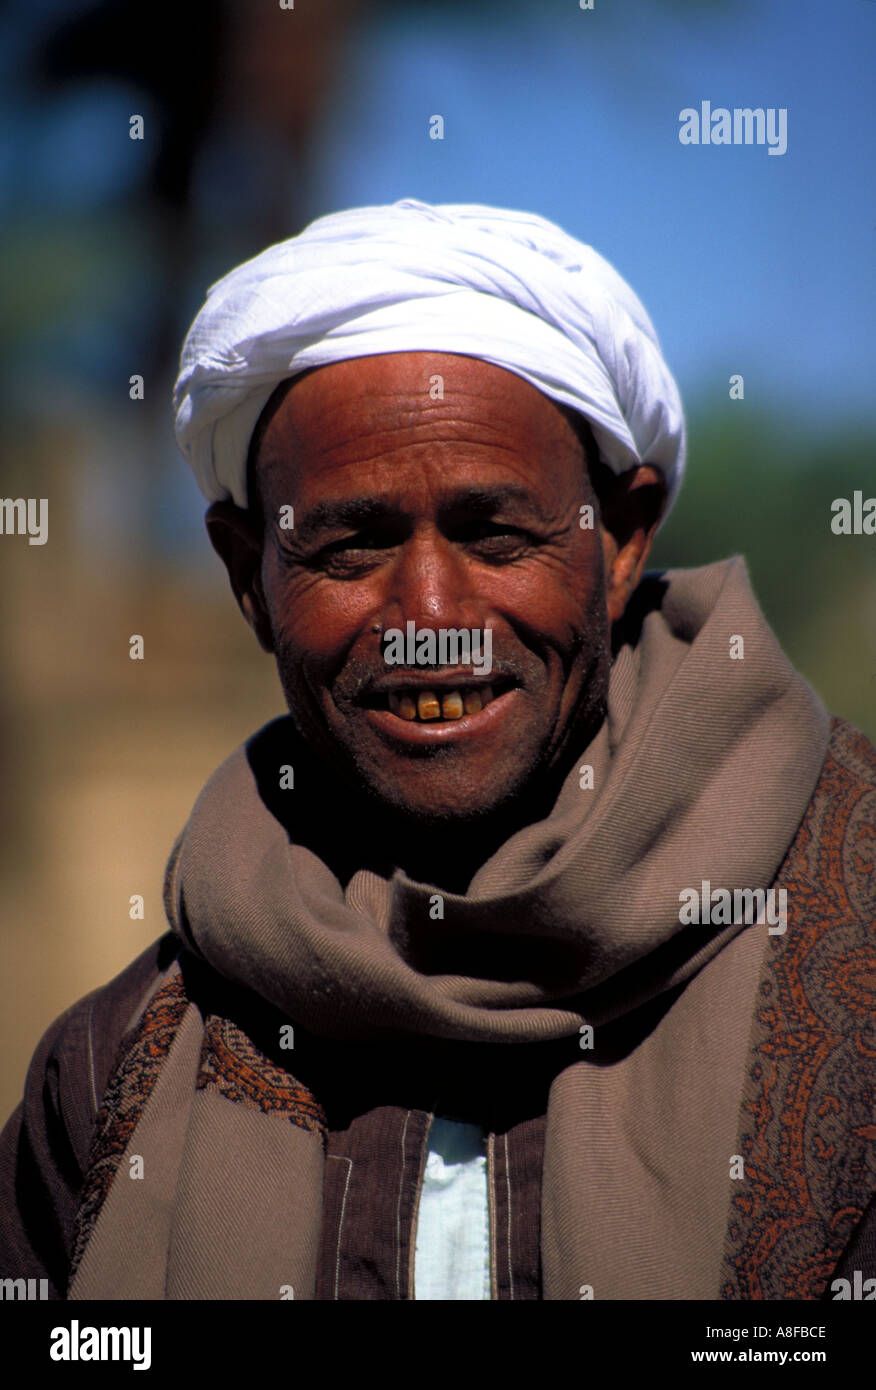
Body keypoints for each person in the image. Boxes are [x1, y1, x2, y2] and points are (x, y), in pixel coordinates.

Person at [1, 199, 874, 1301]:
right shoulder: (112, 1069)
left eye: (492, 532)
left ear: (622, 539)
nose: (427, 615)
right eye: (352, 543)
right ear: (245, 577)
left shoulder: (853, 937)